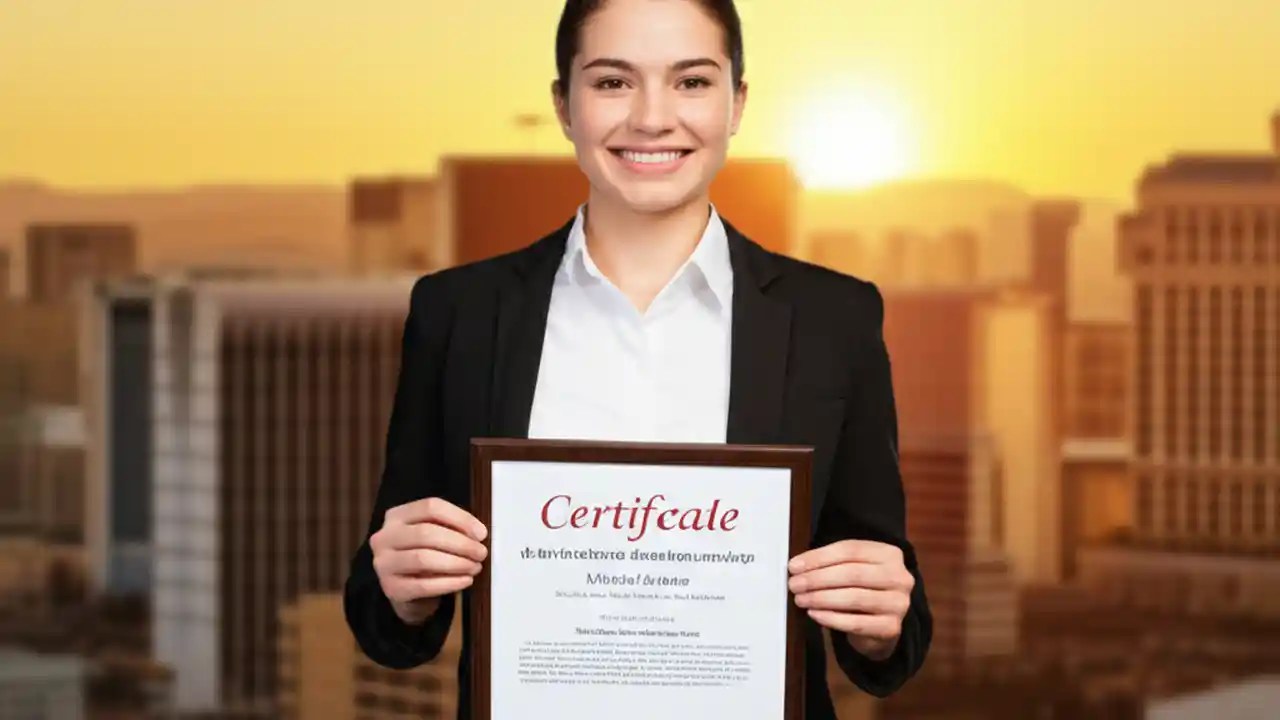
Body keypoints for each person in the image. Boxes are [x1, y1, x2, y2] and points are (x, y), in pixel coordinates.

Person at [343, 0, 931, 716]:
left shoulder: (833, 321)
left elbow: (891, 622)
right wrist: (403, 590)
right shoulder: (460, 313)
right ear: (564, 104)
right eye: (613, 82)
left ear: (737, 102)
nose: (653, 117)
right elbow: (384, 618)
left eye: (692, 82)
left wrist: (879, 622)